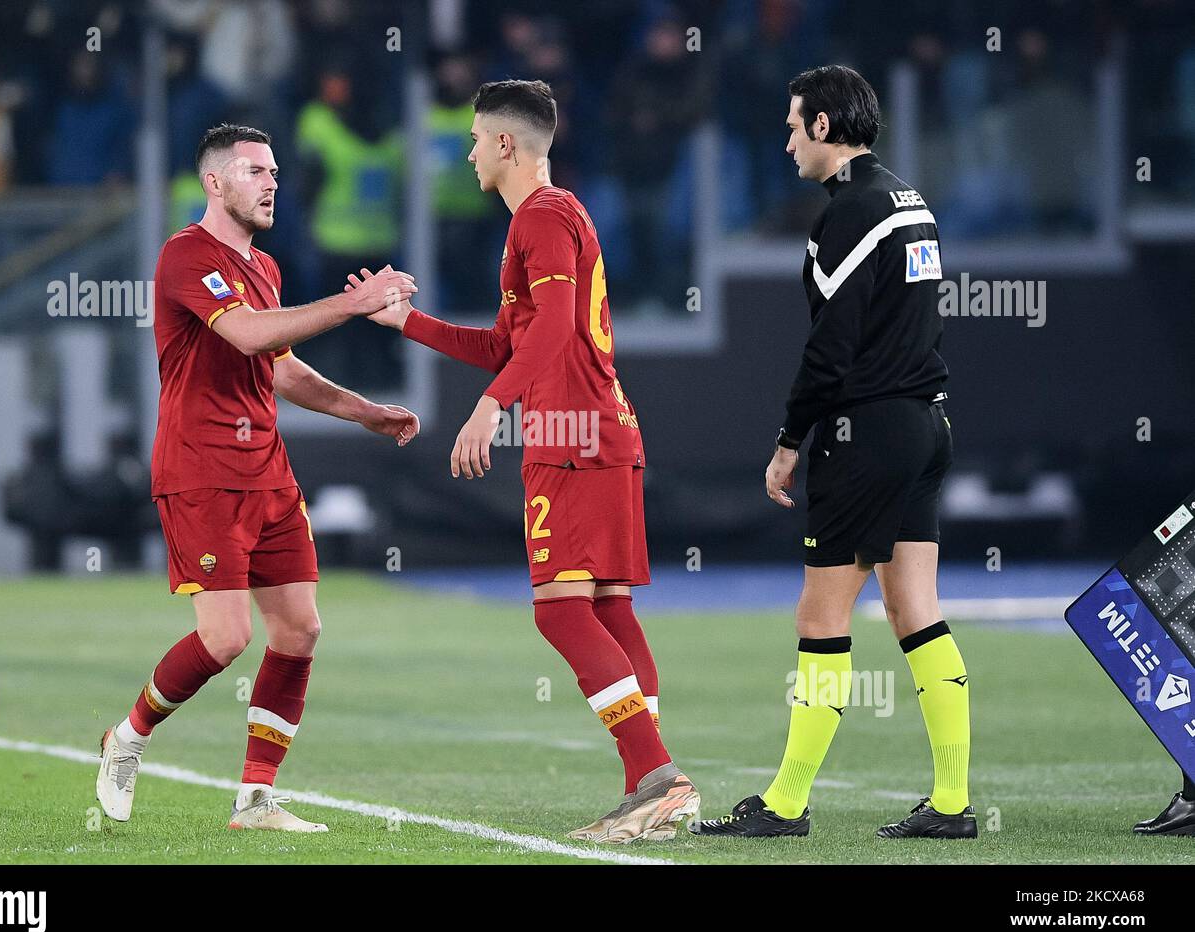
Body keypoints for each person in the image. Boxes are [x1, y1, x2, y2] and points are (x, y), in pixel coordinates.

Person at [354, 80, 699, 844]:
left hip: (572, 437)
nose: (469, 151)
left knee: (559, 610)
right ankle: (649, 790)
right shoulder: (551, 219)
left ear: (507, 144)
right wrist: (408, 321)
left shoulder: (541, 216)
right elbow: (512, 344)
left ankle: (658, 776)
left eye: (476, 138)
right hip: (598, 431)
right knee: (607, 609)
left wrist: (489, 408)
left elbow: (551, 334)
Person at [95, 123, 419, 832]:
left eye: (274, 171)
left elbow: (279, 366)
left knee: (300, 629)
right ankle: (128, 738)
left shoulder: (264, 269)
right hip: (201, 471)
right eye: (253, 171)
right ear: (215, 183)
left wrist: (361, 411)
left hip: (267, 471)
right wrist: (354, 306)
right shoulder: (185, 254)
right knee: (224, 639)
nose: (271, 181)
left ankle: (256, 798)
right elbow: (246, 335)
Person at [694, 65, 973, 839]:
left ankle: (785, 804)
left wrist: (790, 440)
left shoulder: (848, 213)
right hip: (926, 425)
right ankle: (951, 803)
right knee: (914, 609)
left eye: (792, 126)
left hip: (868, 433)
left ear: (823, 127)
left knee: (820, 616)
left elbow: (832, 348)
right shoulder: (910, 200)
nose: (786, 142)